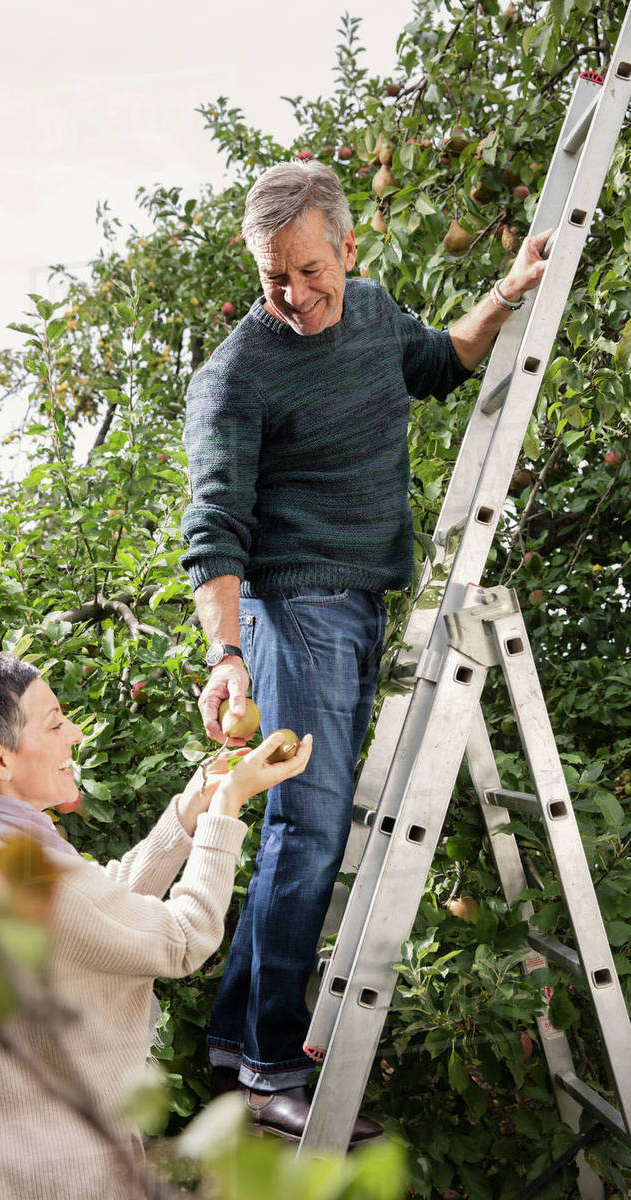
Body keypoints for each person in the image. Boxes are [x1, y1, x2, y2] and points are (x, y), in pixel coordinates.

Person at [180, 159, 550, 1141]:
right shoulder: (236, 374)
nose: (293, 296)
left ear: (348, 247)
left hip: (358, 608)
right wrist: (226, 657)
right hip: (288, 610)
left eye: (309, 271)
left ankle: (228, 1048)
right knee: (308, 832)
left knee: (298, 832)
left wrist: (504, 292)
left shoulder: (377, 314)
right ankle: (267, 1068)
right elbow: (213, 529)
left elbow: (441, 361)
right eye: (272, 279)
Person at [0, 649, 311, 1200]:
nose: (73, 733)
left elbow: (94, 908)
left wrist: (187, 815)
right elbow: (181, 939)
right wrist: (225, 812)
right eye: (54, 724)